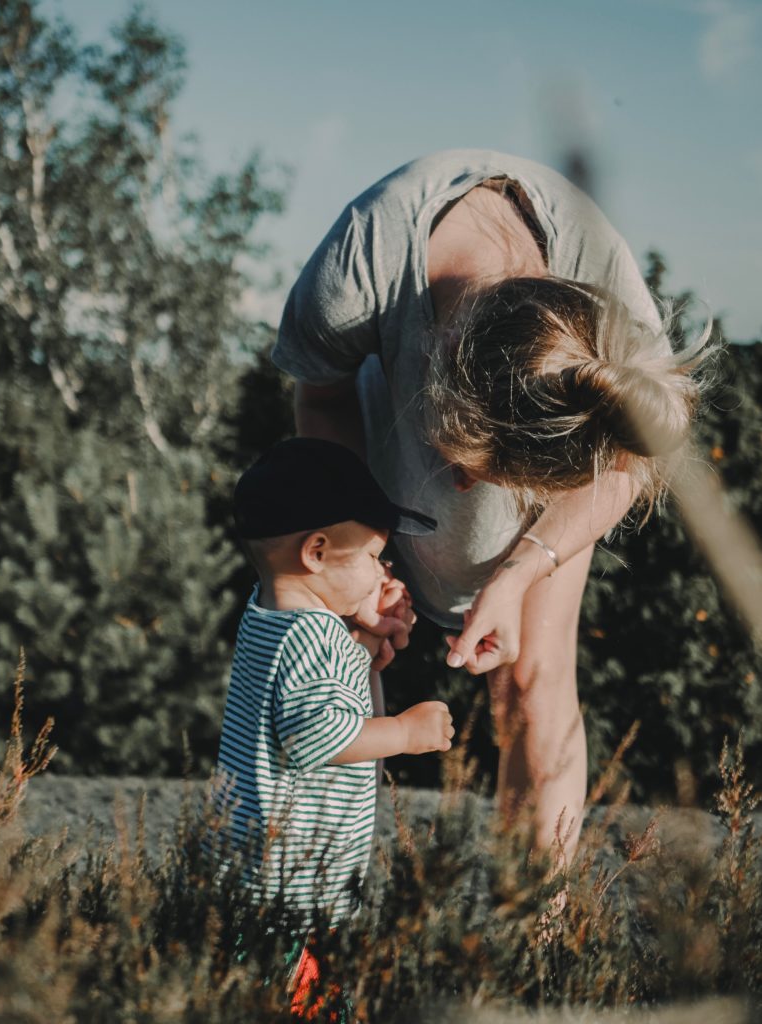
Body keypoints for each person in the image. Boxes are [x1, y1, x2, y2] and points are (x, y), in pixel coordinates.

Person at [272, 149, 707, 861]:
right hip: (373, 475)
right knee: (346, 660)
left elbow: (628, 462)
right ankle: (319, 899)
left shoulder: (607, 296)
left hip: (556, 502)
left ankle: (533, 935)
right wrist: (360, 550)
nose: (469, 489)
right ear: (435, 354)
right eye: (466, 467)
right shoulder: (359, 264)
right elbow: (319, 398)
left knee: (532, 682)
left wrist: (518, 572)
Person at [210, 437, 453, 1016]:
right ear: (316, 551)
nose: (382, 572)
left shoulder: (268, 615)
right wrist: (406, 732)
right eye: (373, 557)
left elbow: (314, 706)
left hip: (258, 876)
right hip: (291, 888)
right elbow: (317, 737)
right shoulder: (313, 636)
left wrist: (366, 644)